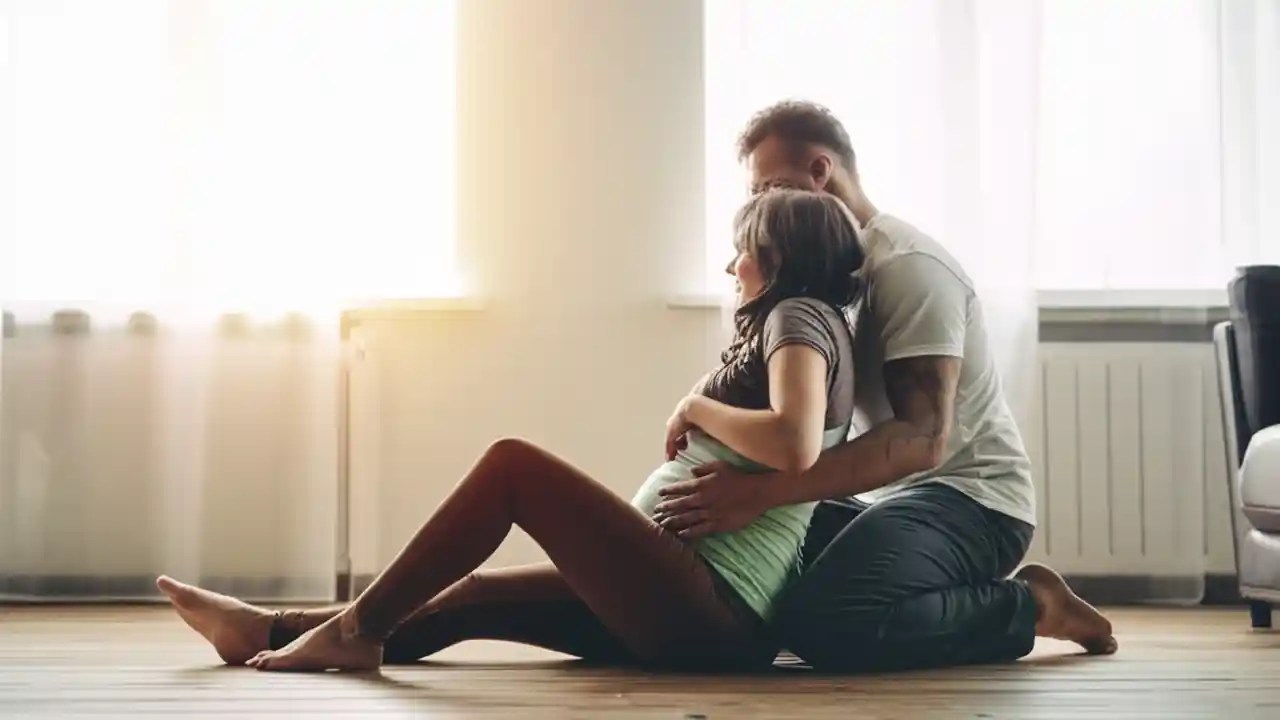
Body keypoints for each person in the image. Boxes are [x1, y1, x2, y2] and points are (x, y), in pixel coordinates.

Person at [156, 187, 865, 671]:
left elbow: (793, 442)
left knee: (512, 468)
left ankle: (351, 632)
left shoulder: (797, 314)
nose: (730, 266)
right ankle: (268, 628)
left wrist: (695, 407)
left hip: (712, 607)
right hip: (686, 605)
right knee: (472, 597)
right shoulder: (798, 319)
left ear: (778, 258)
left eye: (743, 251)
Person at [652, 100, 1117, 672]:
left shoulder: (909, 268)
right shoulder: (820, 274)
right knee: (730, 559)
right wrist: (695, 406)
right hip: (886, 497)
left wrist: (762, 493)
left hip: (972, 500)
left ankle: (1029, 605)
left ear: (820, 171)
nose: (760, 207)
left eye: (768, 187)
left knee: (826, 623)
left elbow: (924, 440)